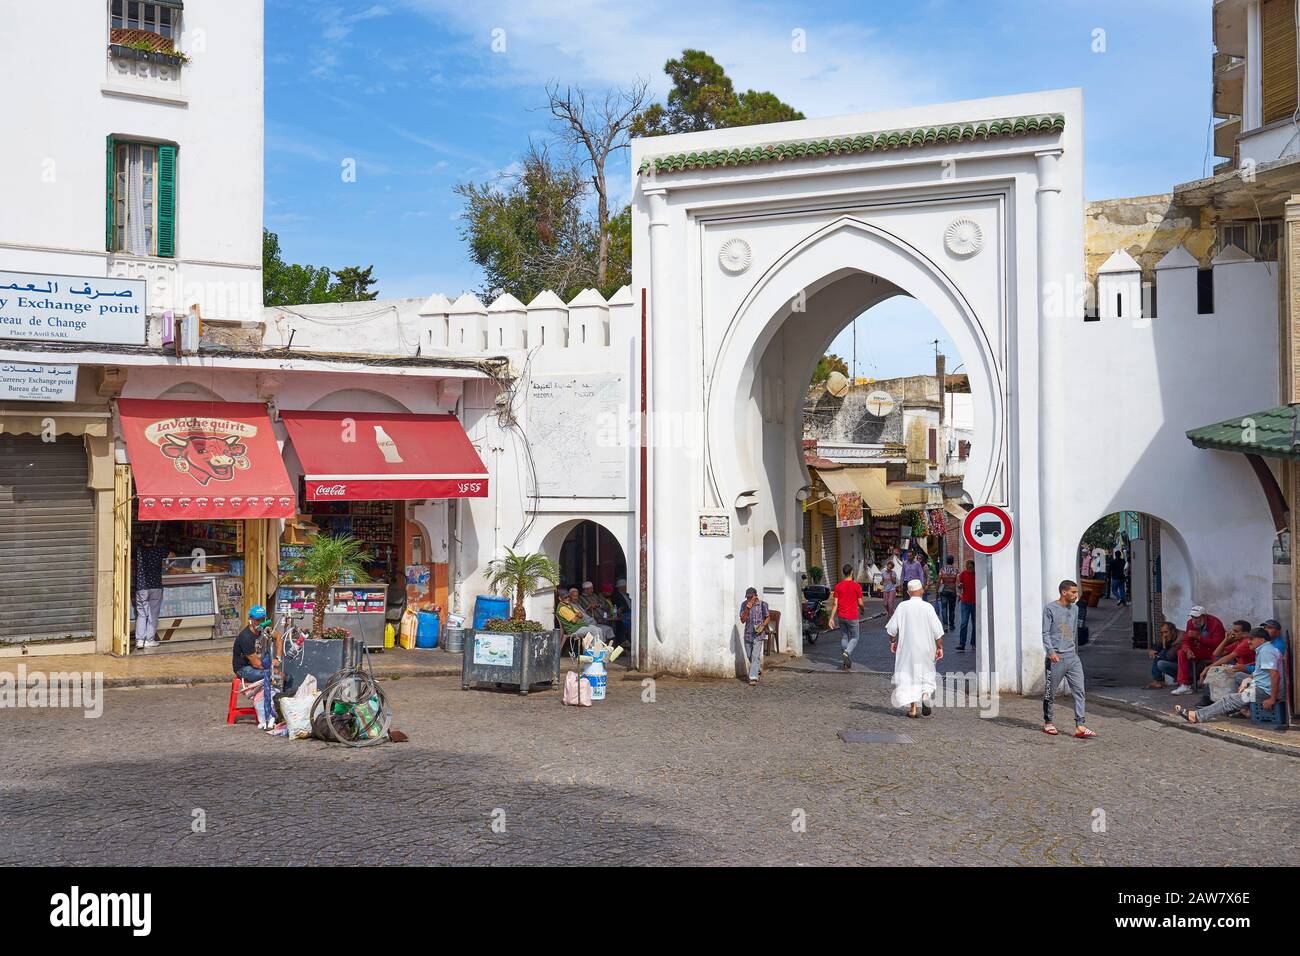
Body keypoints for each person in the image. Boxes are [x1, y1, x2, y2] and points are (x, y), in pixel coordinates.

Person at [1176, 628, 1280, 724]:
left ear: (1261, 640)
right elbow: (1259, 672)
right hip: (1260, 687)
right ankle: (1242, 708)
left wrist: (1272, 699)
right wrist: (1247, 681)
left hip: (1264, 691)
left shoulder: (1266, 652)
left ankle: (1197, 716)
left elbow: (1274, 674)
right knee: (1237, 677)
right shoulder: (1265, 650)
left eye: (1251, 639)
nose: (1249, 641)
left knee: (1229, 699)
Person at [1042, 580, 1096, 738]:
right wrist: (1051, 651)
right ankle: (1048, 722)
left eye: (1076, 592)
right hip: (1056, 658)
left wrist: (1075, 651)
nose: (1076, 595)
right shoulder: (1050, 609)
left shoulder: (1075, 609)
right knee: (1050, 693)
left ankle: (1080, 725)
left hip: (1072, 657)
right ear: (1064, 592)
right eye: (1073, 592)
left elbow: (1072, 632)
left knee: (1080, 691)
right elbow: (1045, 633)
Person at [886, 579, 944, 718]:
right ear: (922, 590)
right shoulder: (928, 607)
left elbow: (892, 630)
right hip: (926, 649)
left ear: (908, 592)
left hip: (907, 650)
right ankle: (925, 695)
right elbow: (938, 631)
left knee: (909, 676)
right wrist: (939, 647)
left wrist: (893, 642)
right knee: (926, 674)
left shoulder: (902, 607)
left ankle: (913, 709)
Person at [232, 605, 278, 731]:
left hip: (259, 665)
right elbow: (256, 664)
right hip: (244, 668)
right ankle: (267, 713)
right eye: (258, 620)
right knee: (270, 676)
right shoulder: (245, 637)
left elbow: (278, 636)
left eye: (263, 619)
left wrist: (278, 657)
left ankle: (278, 708)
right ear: (251, 619)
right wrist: (272, 668)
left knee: (285, 677)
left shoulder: (265, 631)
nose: (260, 623)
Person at [1171, 605, 1226, 695]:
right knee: (1181, 652)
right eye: (1193, 617)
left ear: (1204, 616)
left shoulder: (1215, 623)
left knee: (1217, 657)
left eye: (1197, 617)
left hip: (1214, 650)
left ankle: (1215, 686)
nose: (1194, 620)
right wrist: (1187, 650)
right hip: (1200, 650)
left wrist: (1199, 637)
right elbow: (1186, 641)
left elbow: (1218, 644)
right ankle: (1184, 685)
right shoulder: (1190, 623)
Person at [132, 540, 173, 650]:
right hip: (155, 586)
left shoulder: (137, 551)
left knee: (141, 614)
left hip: (141, 587)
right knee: (153, 614)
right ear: (154, 541)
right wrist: (165, 563)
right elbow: (172, 555)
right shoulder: (159, 550)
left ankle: (140, 640)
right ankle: (150, 640)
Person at [828, 563, 864, 671]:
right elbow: (860, 602)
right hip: (852, 616)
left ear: (843, 573)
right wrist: (862, 609)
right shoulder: (856, 586)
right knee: (855, 637)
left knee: (844, 637)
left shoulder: (838, 586)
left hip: (841, 616)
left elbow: (835, 603)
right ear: (852, 572)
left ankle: (846, 661)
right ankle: (847, 653)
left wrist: (831, 618)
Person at [557, 588, 613, 655]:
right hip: (574, 630)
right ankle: (594, 654)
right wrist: (577, 615)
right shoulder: (563, 608)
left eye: (568, 597)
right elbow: (574, 620)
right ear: (560, 598)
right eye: (565, 597)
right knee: (594, 630)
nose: (568, 598)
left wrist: (577, 615)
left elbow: (581, 615)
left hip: (580, 626)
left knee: (599, 629)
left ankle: (599, 651)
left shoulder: (569, 605)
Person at [738, 587, 770, 686]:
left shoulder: (763, 605)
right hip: (748, 634)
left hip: (758, 635)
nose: (749, 599)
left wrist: (763, 626)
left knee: (755, 656)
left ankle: (753, 678)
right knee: (749, 655)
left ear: (756, 596)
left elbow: (768, 617)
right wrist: (747, 609)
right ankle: (757, 669)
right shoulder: (744, 605)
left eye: (750, 597)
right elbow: (742, 620)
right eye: (747, 597)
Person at [1146, 620, 1184, 688]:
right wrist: (1152, 651)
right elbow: (1157, 646)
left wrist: (1164, 647)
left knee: (1160, 661)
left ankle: (1157, 681)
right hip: (1177, 663)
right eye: (1162, 633)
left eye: (1166, 632)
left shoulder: (1180, 638)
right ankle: (1157, 680)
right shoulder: (1169, 637)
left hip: (1185, 666)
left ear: (1172, 631)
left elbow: (1170, 656)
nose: (1164, 635)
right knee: (1158, 656)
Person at [956, 559, 977, 651]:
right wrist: (960, 588)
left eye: (970, 567)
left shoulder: (977, 574)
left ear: (973, 566)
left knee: (975, 624)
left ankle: (974, 643)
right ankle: (962, 644)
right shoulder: (963, 574)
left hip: (975, 603)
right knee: (964, 623)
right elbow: (960, 585)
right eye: (967, 566)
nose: (968, 568)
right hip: (965, 602)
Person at [937, 555, 959, 631]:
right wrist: (959, 593)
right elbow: (958, 582)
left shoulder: (942, 570)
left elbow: (939, 581)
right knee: (952, 609)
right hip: (953, 591)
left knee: (944, 608)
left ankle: (945, 625)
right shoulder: (956, 570)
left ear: (946, 561)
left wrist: (937, 591)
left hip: (944, 591)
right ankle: (952, 625)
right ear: (952, 561)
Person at [611, 578, 632, 647]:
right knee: (625, 622)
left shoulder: (627, 595)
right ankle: (625, 641)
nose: (626, 588)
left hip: (630, 613)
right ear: (621, 587)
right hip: (624, 614)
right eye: (625, 587)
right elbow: (619, 608)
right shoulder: (616, 596)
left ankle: (628, 640)